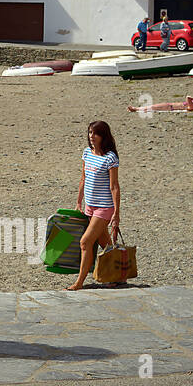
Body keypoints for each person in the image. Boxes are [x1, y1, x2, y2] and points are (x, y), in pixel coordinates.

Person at [67, 120, 120, 291]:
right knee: (106, 244)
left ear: (103, 136)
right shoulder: (87, 153)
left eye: (95, 133)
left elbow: (114, 186)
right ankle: (119, 275)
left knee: (85, 242)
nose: (91, 137)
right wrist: (78, 202)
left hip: (104, 208)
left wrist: (116, 213)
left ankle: (79, 282)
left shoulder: (110, 158)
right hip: (90, 205)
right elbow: (83, 178)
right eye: (90, 133)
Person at [127, 95, 193, 113]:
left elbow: (188, 97)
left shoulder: (191, 106)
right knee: (152, 107)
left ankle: (135, 109)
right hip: (169, 105)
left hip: (169, 107)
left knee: (152, 107)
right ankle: (136, 109)